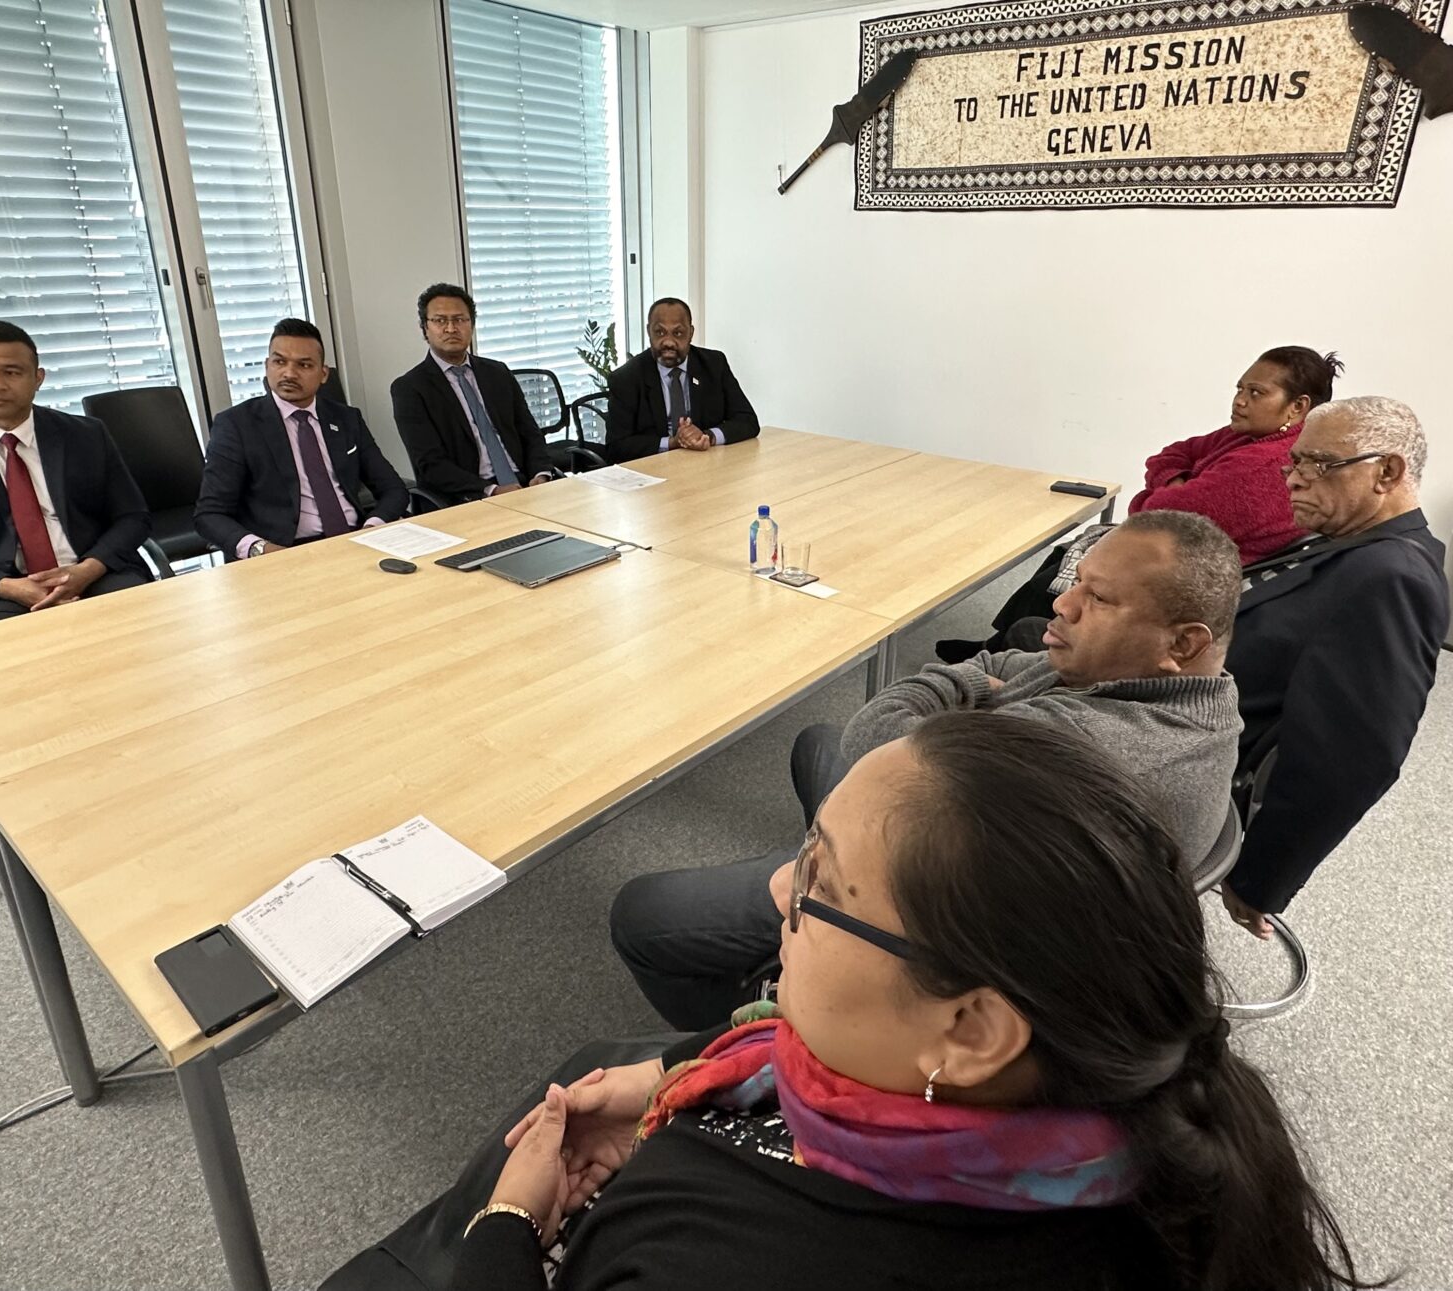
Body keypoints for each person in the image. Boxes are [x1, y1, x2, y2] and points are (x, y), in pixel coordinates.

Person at [324, 714, 1377, 1291]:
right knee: (598, 1053)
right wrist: (665, 1080)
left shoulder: (737, 1264)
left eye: (820, 881)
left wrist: (508, 1224)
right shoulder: (1095, 1100)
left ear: (968, 1026)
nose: (782, 888)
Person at [612, 510, 1244, 1031]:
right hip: (999, 856)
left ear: (1182, 642)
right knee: (816, 741)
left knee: (642, 915)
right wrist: (982, 685)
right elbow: (1002, 665)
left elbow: (878, 735)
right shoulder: (1190, 688)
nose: (1063, 602)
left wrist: (968, 691)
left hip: (953, 921)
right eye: (1078, 579)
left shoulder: (1086, 745)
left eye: (1098, 598)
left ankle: (771, 1034)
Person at [939, 346, 1341, 661]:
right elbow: (1169, 454)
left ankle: (1006, 652)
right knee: (1064, 553)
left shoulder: (1262, 465)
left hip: (1190, 573)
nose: (1239, 400)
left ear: (1298, 406)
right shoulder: (1251, 436)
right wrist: (1179, 481)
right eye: (1239, 388)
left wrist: (1175, 487)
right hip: (1187, 550)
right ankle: (995, 647)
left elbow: (1151, 516)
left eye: (1256, 392)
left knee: (1072, 564)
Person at [1219, 395, 1447, 938]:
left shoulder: (1392, 578)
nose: (1293, 480)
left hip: (1187, 752)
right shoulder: (1353, 542)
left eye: (1318, 465)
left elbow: (1349, 760)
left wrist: (1260, 879)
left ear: (1386, 471)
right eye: (1293, 463)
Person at [0, 320, 151, 631]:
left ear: (38, 378)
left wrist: (87, 570)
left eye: (12, 372)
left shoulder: (86, 435)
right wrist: (9, 587)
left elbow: (133, 517)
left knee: (144, 634)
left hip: (94, 574)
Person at [194, 319, 407, 560]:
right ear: (266, 366)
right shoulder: (236, 425)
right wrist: (260, 548)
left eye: (304, 365)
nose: (289, 373)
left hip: (355, 541)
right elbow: (210, 514)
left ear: (323, 374)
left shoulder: (347, 418)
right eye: (279, 362)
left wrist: (372, 529)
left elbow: (393, 489)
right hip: (283, 550)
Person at [390, 284, 555, 504]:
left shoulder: (497, 373)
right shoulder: (410, 388)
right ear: (425, 329)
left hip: (525, 485)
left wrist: (541, 474)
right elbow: (430, 464)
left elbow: (530, 433)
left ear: (472, 325)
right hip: (468, 496)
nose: (451, 328)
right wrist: (492, 490)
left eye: (459, 320)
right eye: (440, 320)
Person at [604, 297, 759, 463]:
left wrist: (708, 436)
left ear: (691, 333)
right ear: (649, 331)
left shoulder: (713, 364)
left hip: (707, 465)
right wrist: (672, 443)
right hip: (655, 470)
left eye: (677, 333)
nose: (668, 342)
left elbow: (748, 421)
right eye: (660, 332)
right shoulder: (626, 378)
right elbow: (616, 446)